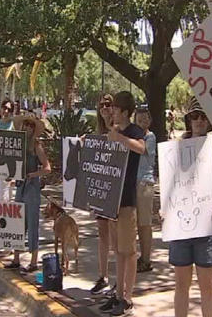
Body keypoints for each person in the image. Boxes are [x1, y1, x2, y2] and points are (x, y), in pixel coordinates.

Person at [170, 96, 212, 317]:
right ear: (188, 120)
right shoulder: (175, 150)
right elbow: (169, 187)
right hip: (181, 226)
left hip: (206, 226)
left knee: (207, 285)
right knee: (181, 284)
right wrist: (164, 209)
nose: (199, 120)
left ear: (209, 121)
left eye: (203, 117)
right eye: (194, 116)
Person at [100, 91, 146, 317]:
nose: (113, 112)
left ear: (125, 112)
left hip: (127, 199)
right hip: (112, 198)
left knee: (129, 251)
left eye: (116, 109)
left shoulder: (135, 132)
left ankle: (128, 297)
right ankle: (118, 293)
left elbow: (141, 148)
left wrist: (120, 139)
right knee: (117, 250)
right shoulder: (114, 131)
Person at [5, 116, 51, 272]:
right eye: (25, 125)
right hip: (20, 186)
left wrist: (33, 175)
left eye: (30, 125)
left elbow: (47, 168)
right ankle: (16, 258)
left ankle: (33, 261)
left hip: (32, 187)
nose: (27, 128)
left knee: (32, 224)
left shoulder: (36, 146)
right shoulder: (18, 146)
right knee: (18, 222)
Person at [90, 93, 117, 296]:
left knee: (116, 236)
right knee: (102, 233)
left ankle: (118, 278)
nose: (105, 108)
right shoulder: (97, 133)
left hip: (116, 190)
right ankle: (103, 275)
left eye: (109, 105)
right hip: (101, 188)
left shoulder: (120, 130)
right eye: (102, 105)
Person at [134, 105, 157, 273]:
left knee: (145, 224)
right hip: (133, 182)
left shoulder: (150, 137)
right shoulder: (134, 137)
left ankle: (146, 258)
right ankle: (139, 256)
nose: (142, 123)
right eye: (139, 120)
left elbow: (141, 150)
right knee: (136, 223)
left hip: (145, 183)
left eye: (145, 119)